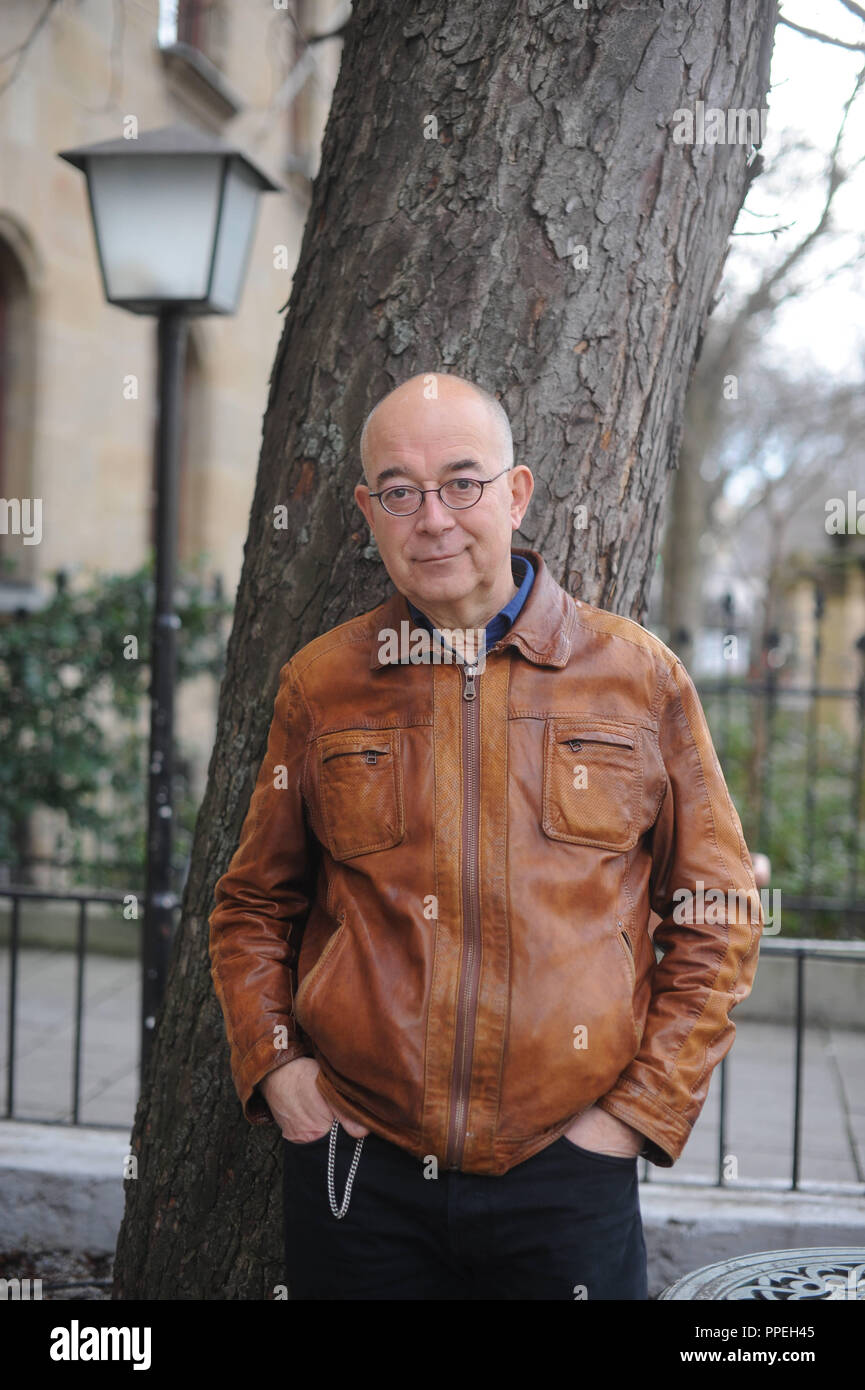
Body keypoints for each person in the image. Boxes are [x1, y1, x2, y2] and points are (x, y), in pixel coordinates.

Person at [208, 371, 763, 1301]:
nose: (432, 517)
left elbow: (717, 912)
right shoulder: (324, 684)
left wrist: (635, 1116)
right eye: (399, 490)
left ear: (514, 493)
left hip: (568, 1171)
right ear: (368, 511)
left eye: (462, 482)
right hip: (359, 1170)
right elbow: (255, 903)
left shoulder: (635, 679)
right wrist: (278, 1070)